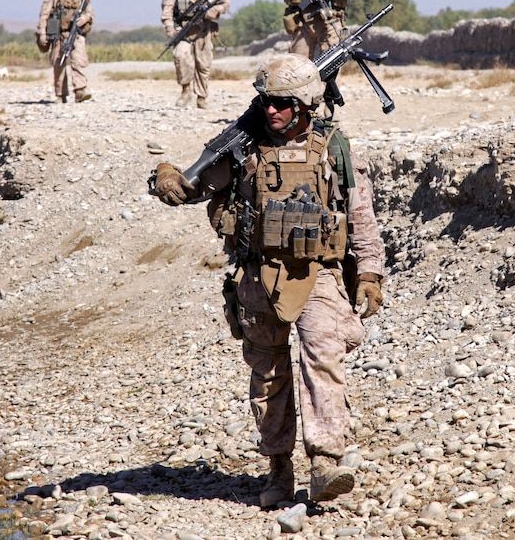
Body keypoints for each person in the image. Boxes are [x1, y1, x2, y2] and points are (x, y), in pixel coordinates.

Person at [152, 55, 385, 508]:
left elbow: (361, 216)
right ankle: (279, 467)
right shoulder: (244, 148)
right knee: (269, 374)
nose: (271, 111)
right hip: (258, 277)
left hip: (318, 273)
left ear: (304, 105)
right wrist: (167, 177)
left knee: (323, 359)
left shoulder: (333, 147)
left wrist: (370, 273)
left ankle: (324, 463)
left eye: (281, 103)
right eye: (264, 102)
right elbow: (193, 186)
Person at [160, 0, 230, 109]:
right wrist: (170, 28)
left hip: (204, 28)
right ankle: (186, 91)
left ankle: (201, 96)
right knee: (180, 56)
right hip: (183, 27)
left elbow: (225, 1)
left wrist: (214, 11)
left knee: (203, 63)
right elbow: (167, 7)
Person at [36, 0, 94, 103]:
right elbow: (43, 17)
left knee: (78, 62)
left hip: (76, 34)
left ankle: (80, 90)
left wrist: (83, 19)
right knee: (59, 64)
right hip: (58, 36)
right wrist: (42, 34)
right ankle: (61, 94)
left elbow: (90, 13)